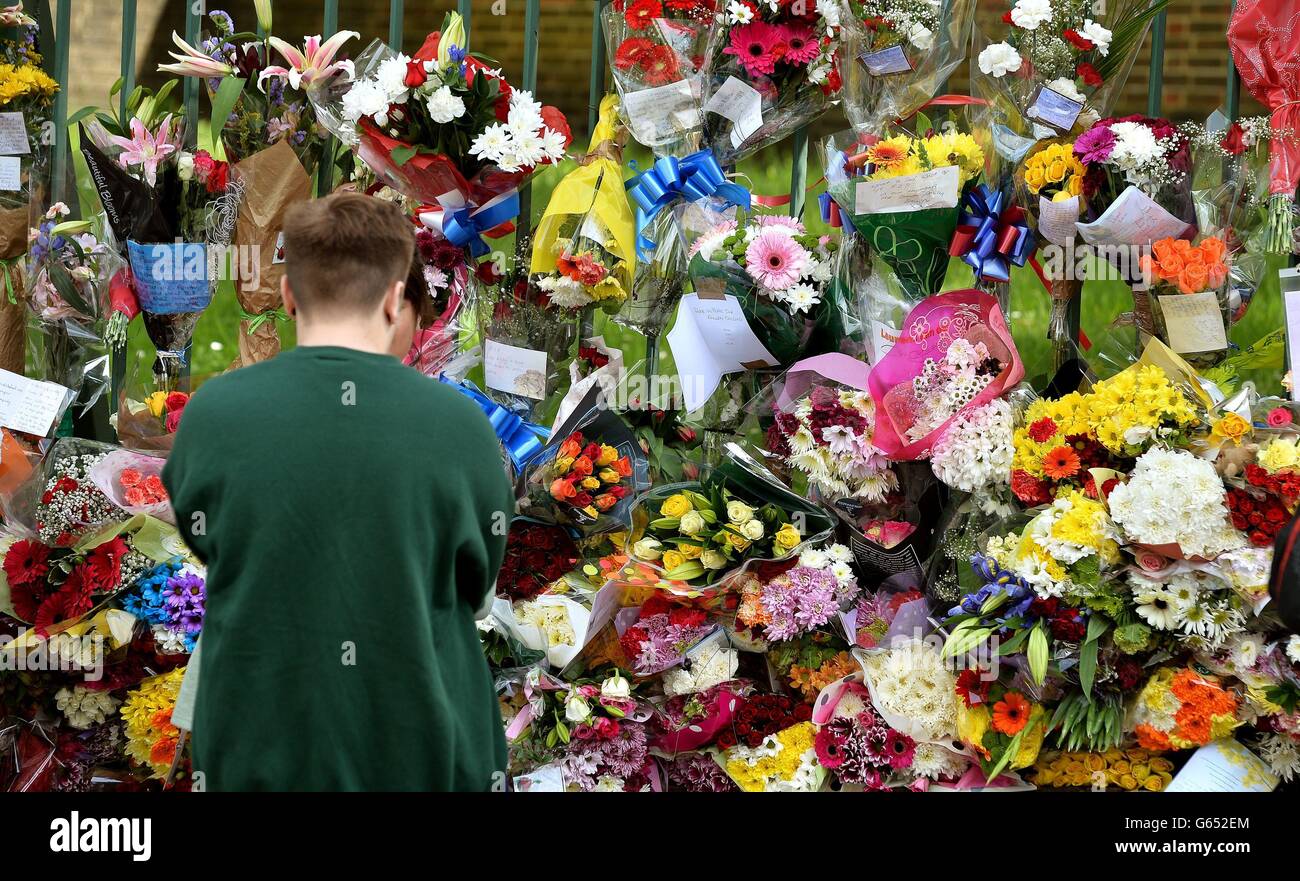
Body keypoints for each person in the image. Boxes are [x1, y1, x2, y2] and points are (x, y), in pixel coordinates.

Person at [163, 193, 512, 791]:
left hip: (260, 743)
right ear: (395, 298)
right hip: (422, 743)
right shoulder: (460, 427)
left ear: (289, 295)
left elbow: (213, 548)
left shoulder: (214, 415)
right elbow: (476, 588)